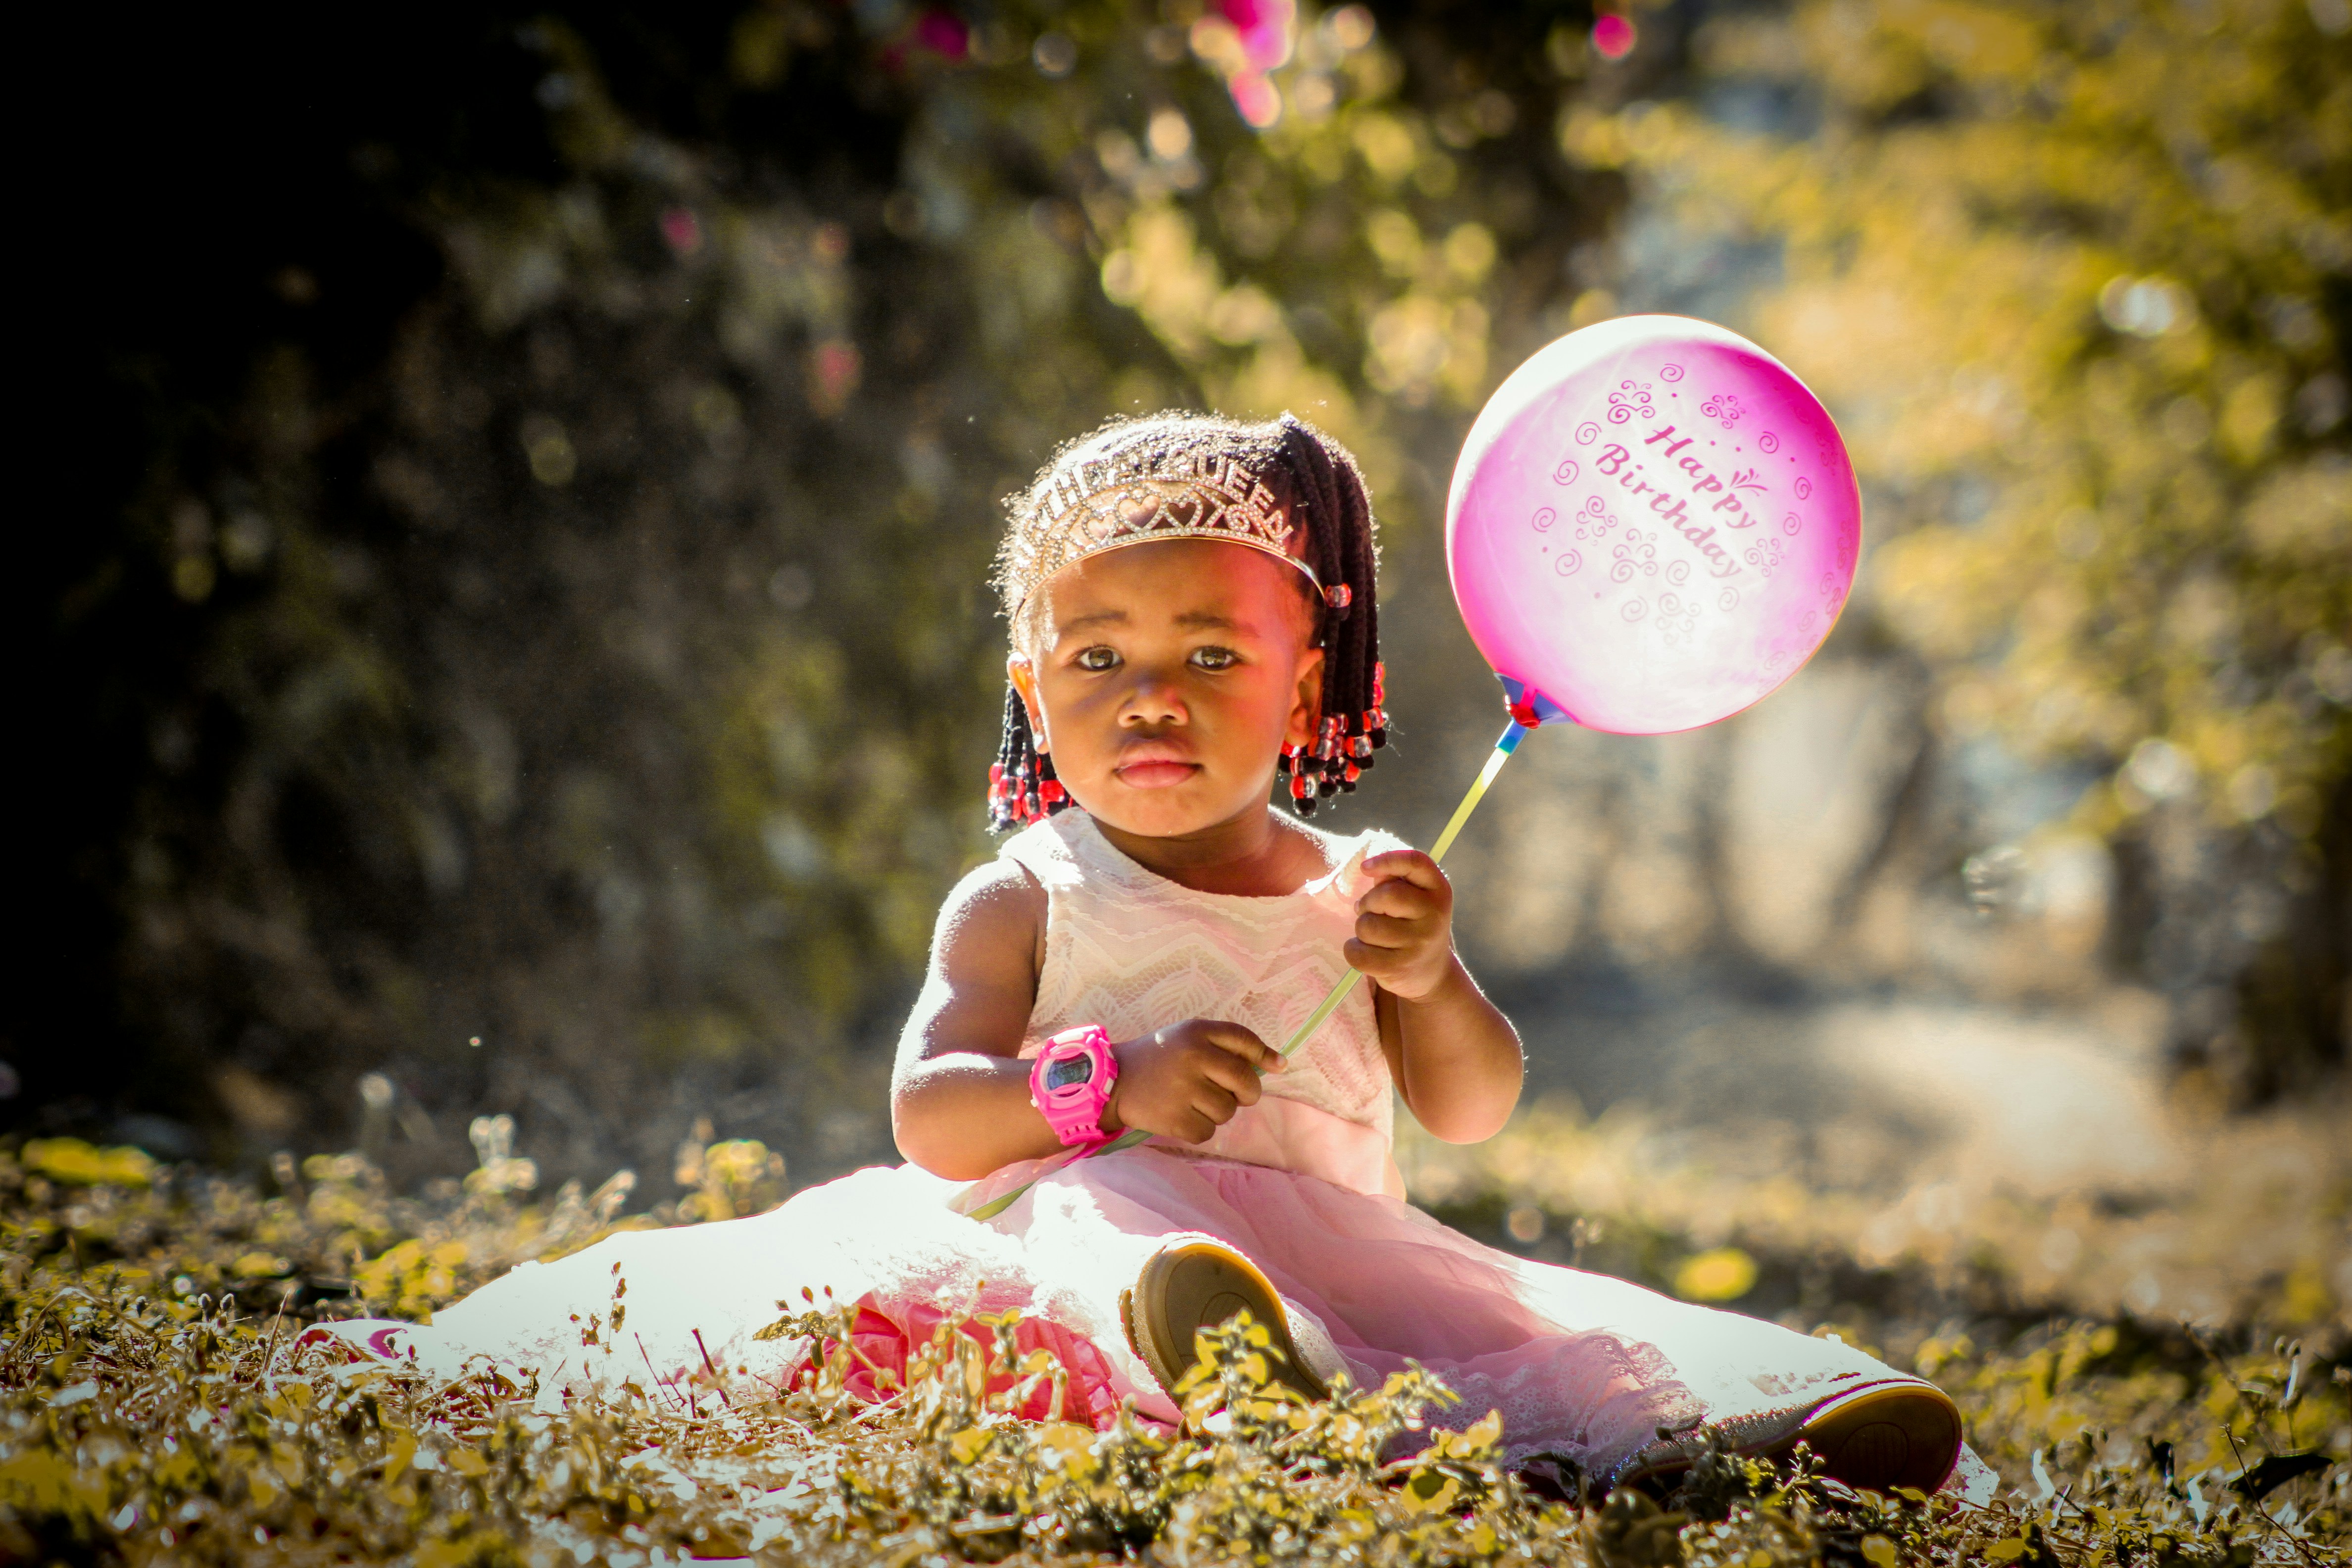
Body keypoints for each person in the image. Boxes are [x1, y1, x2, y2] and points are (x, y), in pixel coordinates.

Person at [309, 412, 1978, 1499]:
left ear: (1311, 689)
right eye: (1098, 657)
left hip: (1346, 1256)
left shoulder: (1360, 884)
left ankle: (1752, 1444)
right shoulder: (1033, 892)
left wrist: (1428, 978)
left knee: (1519, 1357)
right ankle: (1213, 1340)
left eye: (1208, 652)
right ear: (1035, 692)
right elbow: (934, 1116)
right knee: (1127, 1248)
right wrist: (1112, 1087)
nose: (1150, 695)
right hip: (1084, 1220)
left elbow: (1469, 1111)